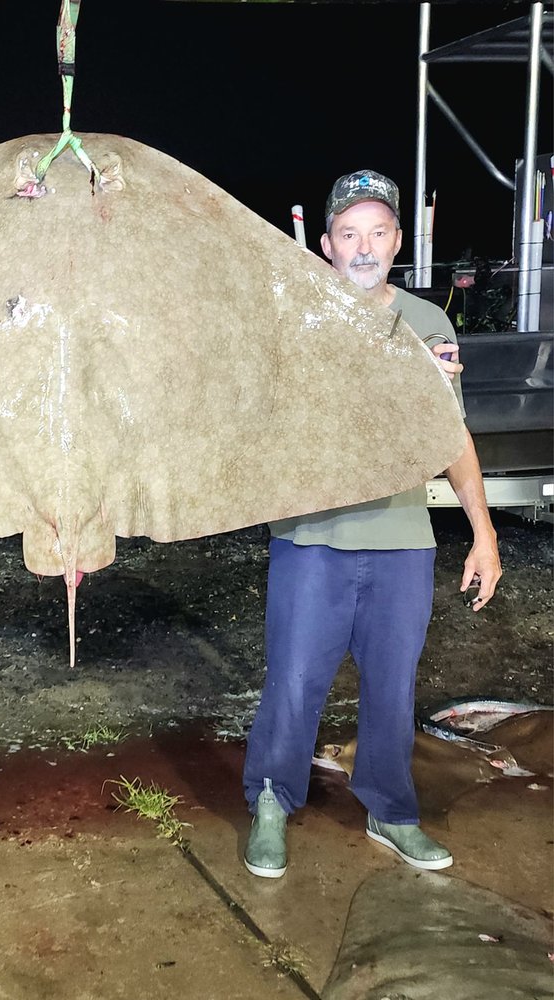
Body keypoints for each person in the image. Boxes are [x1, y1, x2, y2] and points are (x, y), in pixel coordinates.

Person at [241, 170, 502, 878]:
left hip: (402, 541)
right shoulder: (294, 319)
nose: (363, 247)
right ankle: (271, 800)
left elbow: (451, 437)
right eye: (349, 233)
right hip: (312, 537)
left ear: (397, 242)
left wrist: (484, 531)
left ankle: (391, 809)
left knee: (394, 685)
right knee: (294, 681)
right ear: (325, 245)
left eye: (377, 232)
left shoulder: (429, 324)